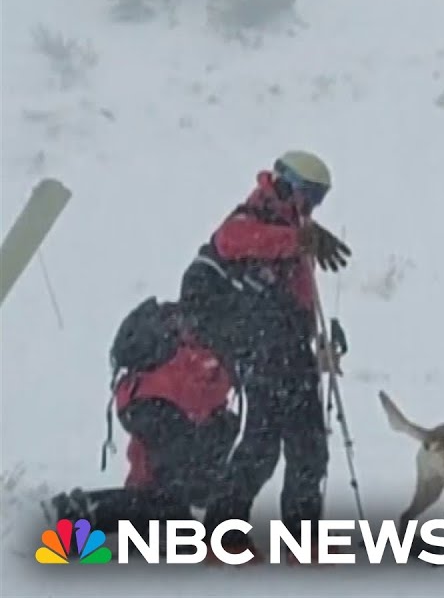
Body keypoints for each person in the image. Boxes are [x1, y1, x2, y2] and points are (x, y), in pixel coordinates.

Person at [183, 151, 351, 561]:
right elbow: (231, 240)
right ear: (286, 184)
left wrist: (319, 340)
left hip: (289, 349)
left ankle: (297, 541)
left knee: (305, 447)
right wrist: (299, 238)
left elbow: (299, 297)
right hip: (260, 349)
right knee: (266, 447)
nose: (311, 207)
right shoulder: (253, 217)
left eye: (319, 200)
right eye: (309, 195)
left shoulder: (296, 229)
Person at [44, 300, 238, 531]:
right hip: (153, 401)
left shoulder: (190, 331)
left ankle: (86, 515)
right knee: (172, 507)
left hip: (140, 398)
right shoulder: (210, 347)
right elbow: (205, 389)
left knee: (161, 497)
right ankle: (75, 516)